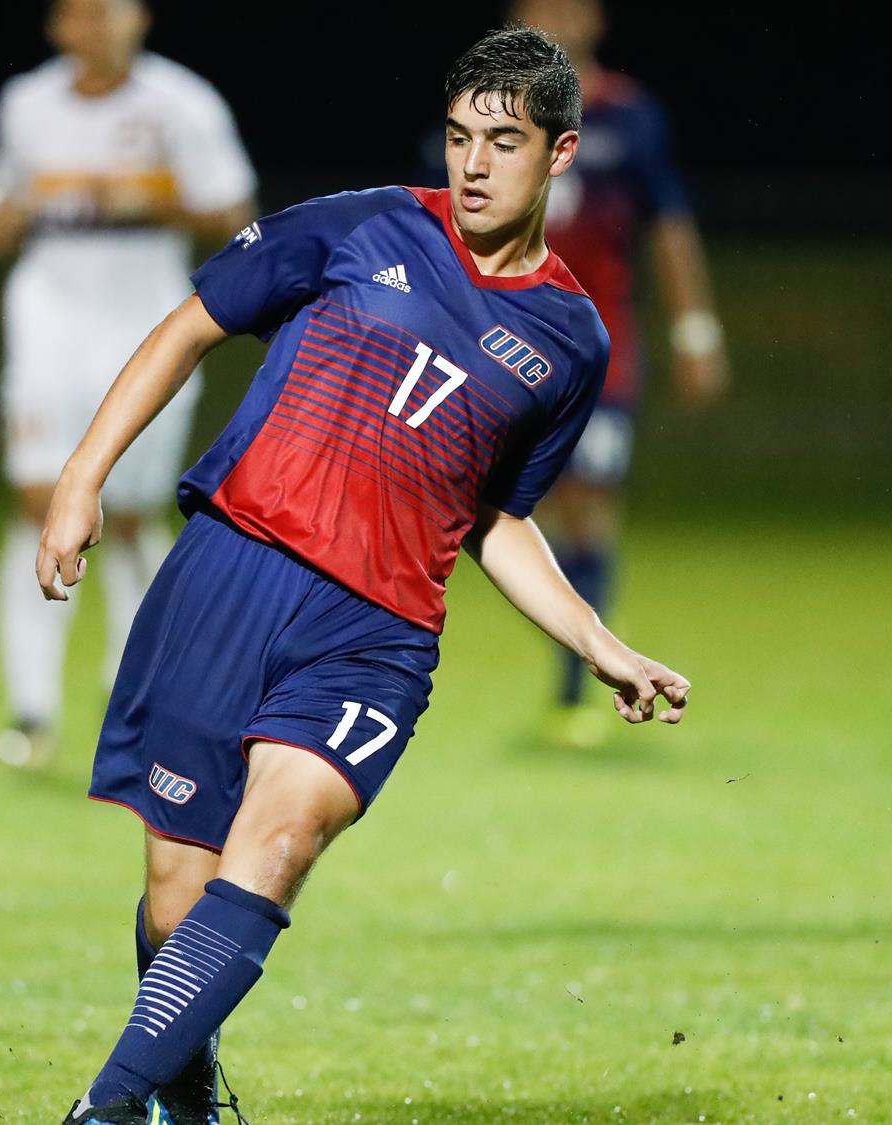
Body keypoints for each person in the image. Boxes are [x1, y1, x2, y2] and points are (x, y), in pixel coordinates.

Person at [34, 25, 692, 1125]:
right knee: (174, 893)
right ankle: (182, 1082)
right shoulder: (361, 226)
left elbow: (496, 516)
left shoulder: (568, 339)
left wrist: (595, 640)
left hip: (372, 633)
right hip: (228, 578)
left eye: (503, 142)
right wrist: (79, 479)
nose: (473, 164)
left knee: (280, 842)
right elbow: (186, 328)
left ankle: (99, 1112)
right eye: (458, 137)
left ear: (560, 153)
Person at [0, 0, 256, 770]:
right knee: (37, 502)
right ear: (57, 25)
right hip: (48, 323)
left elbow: (238, 212)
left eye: (108, 10)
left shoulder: (180, 104)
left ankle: (133, 691)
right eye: (79, 13)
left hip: (145, 330)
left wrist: (156, 200)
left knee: (125, 515)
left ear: (139, 18)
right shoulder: (27, 103)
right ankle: (31, 711)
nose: (95, 24)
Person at [509, 0, 728, 748]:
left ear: (595, 20)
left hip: (598, 353)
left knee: (588, 507)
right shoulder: (489, 111)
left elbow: (668, 222)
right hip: (501, 347)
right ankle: (584, 629)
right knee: (510, 515)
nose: (557, 20)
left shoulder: (630, 116)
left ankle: (573, 694)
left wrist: (695, 328)